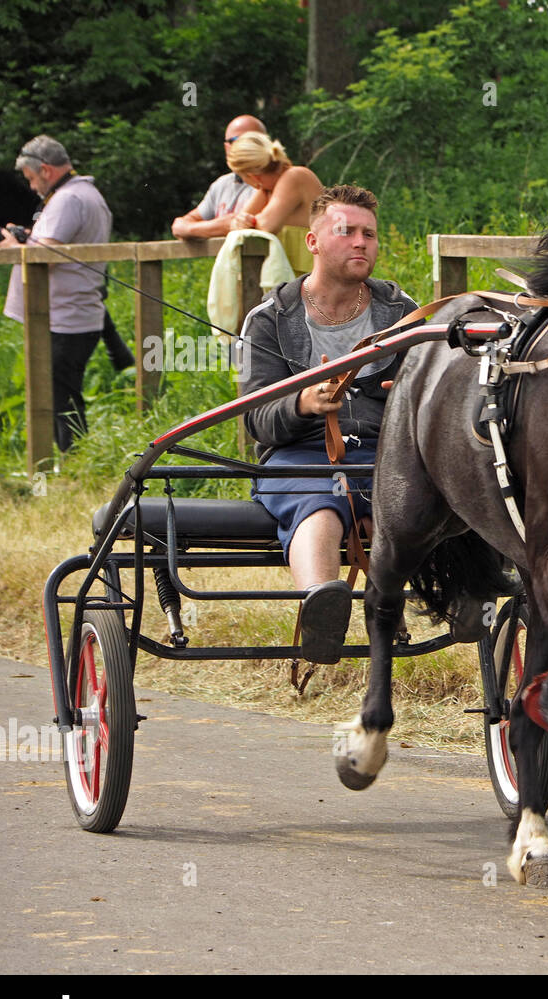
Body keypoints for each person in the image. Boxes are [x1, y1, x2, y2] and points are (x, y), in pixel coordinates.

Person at [238, 184, 416, 663]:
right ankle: (322, 607)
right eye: (347, 232)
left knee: (408, 498)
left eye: (369, 234)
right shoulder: (269, 319)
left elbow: (432, 400)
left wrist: (405, 399)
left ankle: (417, 600)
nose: (361, 243)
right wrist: (302, 403)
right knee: (320, 504)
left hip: (384, 455)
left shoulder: (404, 313)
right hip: (299, 456)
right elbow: (257, 420)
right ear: (313, 242)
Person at [0, 135, 112, 452]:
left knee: (60, 393)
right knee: (61, 390)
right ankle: (73, 458)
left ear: (45, 170)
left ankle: (73, 457)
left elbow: (42, 258)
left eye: (31, 179)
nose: (31, 187)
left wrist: (11, 246)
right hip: (70, 312)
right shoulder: (80, 194)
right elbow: (52, 246)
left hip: (66, 315)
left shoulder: (67, 199)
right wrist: (29, 237)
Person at [226, 132, 323, 275]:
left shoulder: (296, 176)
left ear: (252, 176)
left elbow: (266, 225)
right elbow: (238, 222)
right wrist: (238, 223)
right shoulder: (267, 190)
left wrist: (244, 223)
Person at [170, 115, 267, 240]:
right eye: (238, 140)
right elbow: (179, 226)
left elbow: (244, 223)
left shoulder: (273, 183)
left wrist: (193, 229)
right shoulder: (222, 184)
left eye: (253, 140)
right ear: (227, 147)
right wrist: (218, 226)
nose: (245, 146)